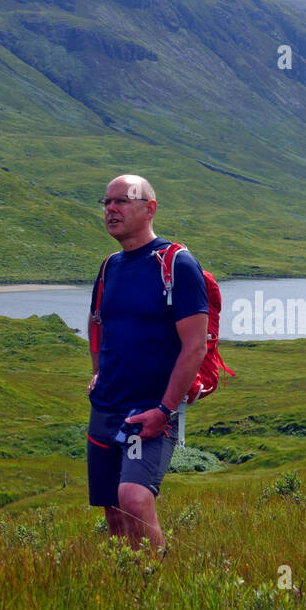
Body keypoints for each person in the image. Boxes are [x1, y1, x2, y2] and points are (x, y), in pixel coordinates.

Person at [86, 174, 208, 557]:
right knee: (112, 510)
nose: (111, 210)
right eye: (106, 203)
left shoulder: (177, 264)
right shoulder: (109, 267)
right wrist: (97, 373)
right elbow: (97, 325)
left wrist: (165, 410)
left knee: (134, 500)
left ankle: (159, 587)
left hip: (149, 411)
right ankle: (129, 592)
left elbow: (194, 346)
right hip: (105, 408)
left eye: (121, 201)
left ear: (149, 208)